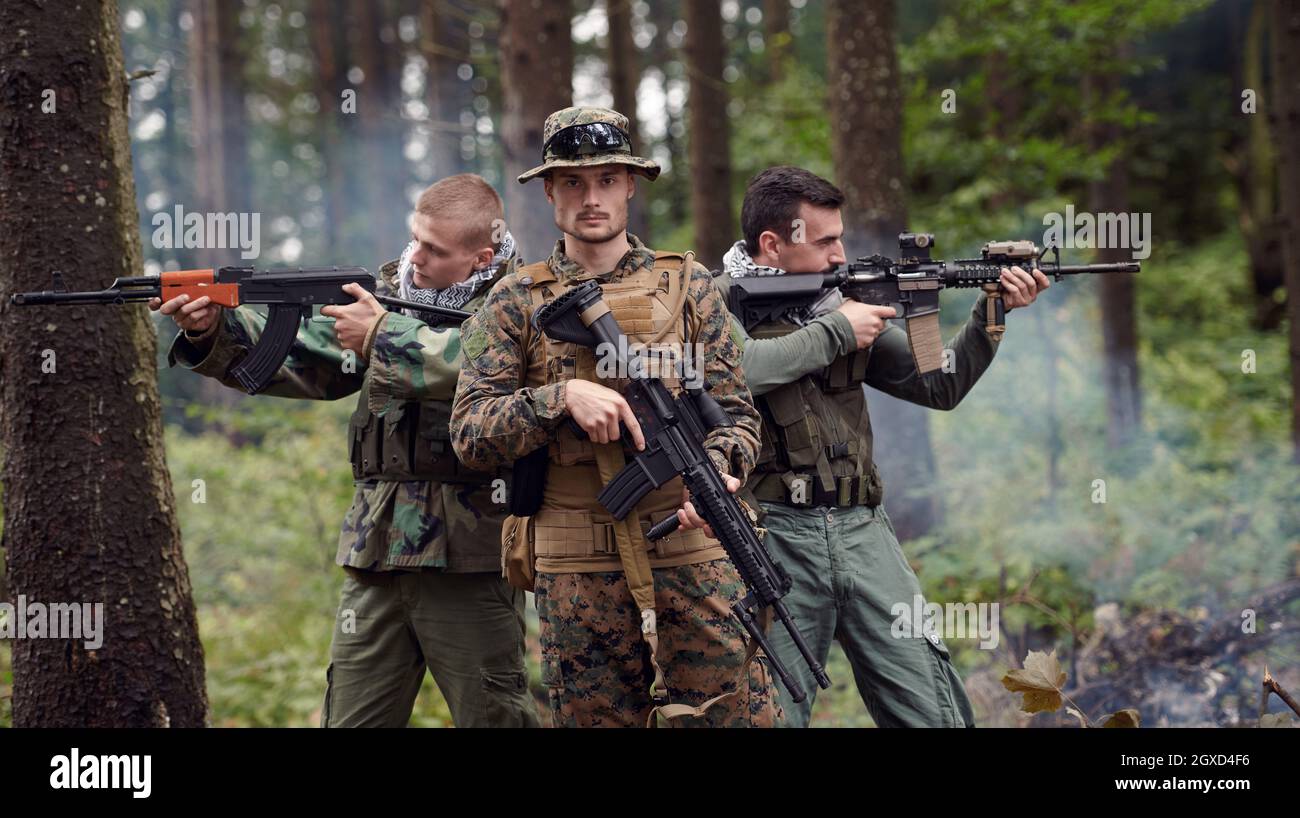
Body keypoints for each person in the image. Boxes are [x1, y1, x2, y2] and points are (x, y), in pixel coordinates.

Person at [155, 174, 539, 728]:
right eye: (414, 239)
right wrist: (216, 327)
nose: (416, 257)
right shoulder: (388, 293)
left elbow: (478, 366)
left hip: (470, 561)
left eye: (435, 249)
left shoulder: (517, 302)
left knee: (495, 717)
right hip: (375, 553)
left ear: (481, 258)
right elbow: (310, 362)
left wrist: (383, 333)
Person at [449, 107, 781, 727]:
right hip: (578, 568)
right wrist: (560, 399)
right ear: (549, 190)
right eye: (573, 182)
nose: (591, 197)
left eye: (606, 180)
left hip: (692, 549)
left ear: (631, 184)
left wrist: (718, 471)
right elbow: (469, 432)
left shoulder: (691, 287)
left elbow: (736, 415)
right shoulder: (515, 299)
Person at [702, 166, 1050, 727]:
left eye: (841, 237)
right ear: (772, 244)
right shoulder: (713, 303)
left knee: (929, 707)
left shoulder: (832, 301)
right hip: (771, 532)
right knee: (770, 712)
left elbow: (938, 383)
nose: (842, 254)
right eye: (825, 241)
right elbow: (740, 370)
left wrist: (993, 311)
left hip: (863, 528)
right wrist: (839, 330)